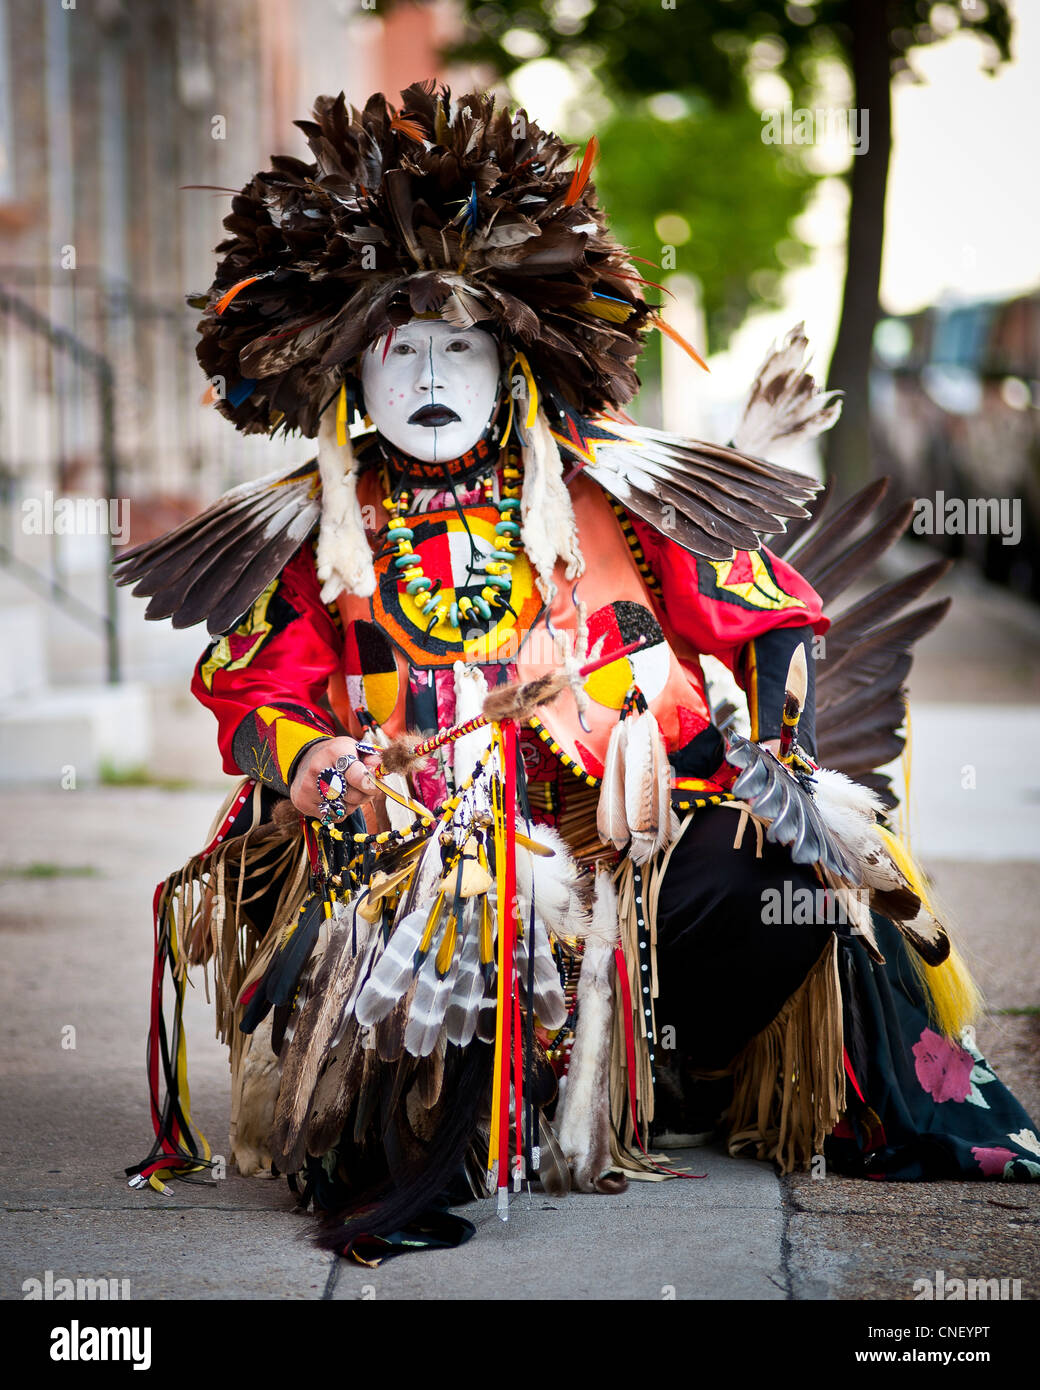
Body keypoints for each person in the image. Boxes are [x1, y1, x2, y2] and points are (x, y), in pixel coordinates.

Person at [117, 83, 1039, 1258]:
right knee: (444, 934)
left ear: (514, 366)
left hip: (621, 856)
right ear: (351, 376)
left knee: (784, 876)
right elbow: (252, 698)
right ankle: (441, 1112)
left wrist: (778, 756)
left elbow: (771, 614)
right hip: (403, 865)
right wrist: (311, 766)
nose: (433, 376)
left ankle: (662, 1068)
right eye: (401, 351)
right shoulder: (314, 534)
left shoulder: (605, 493)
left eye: (463, 346)